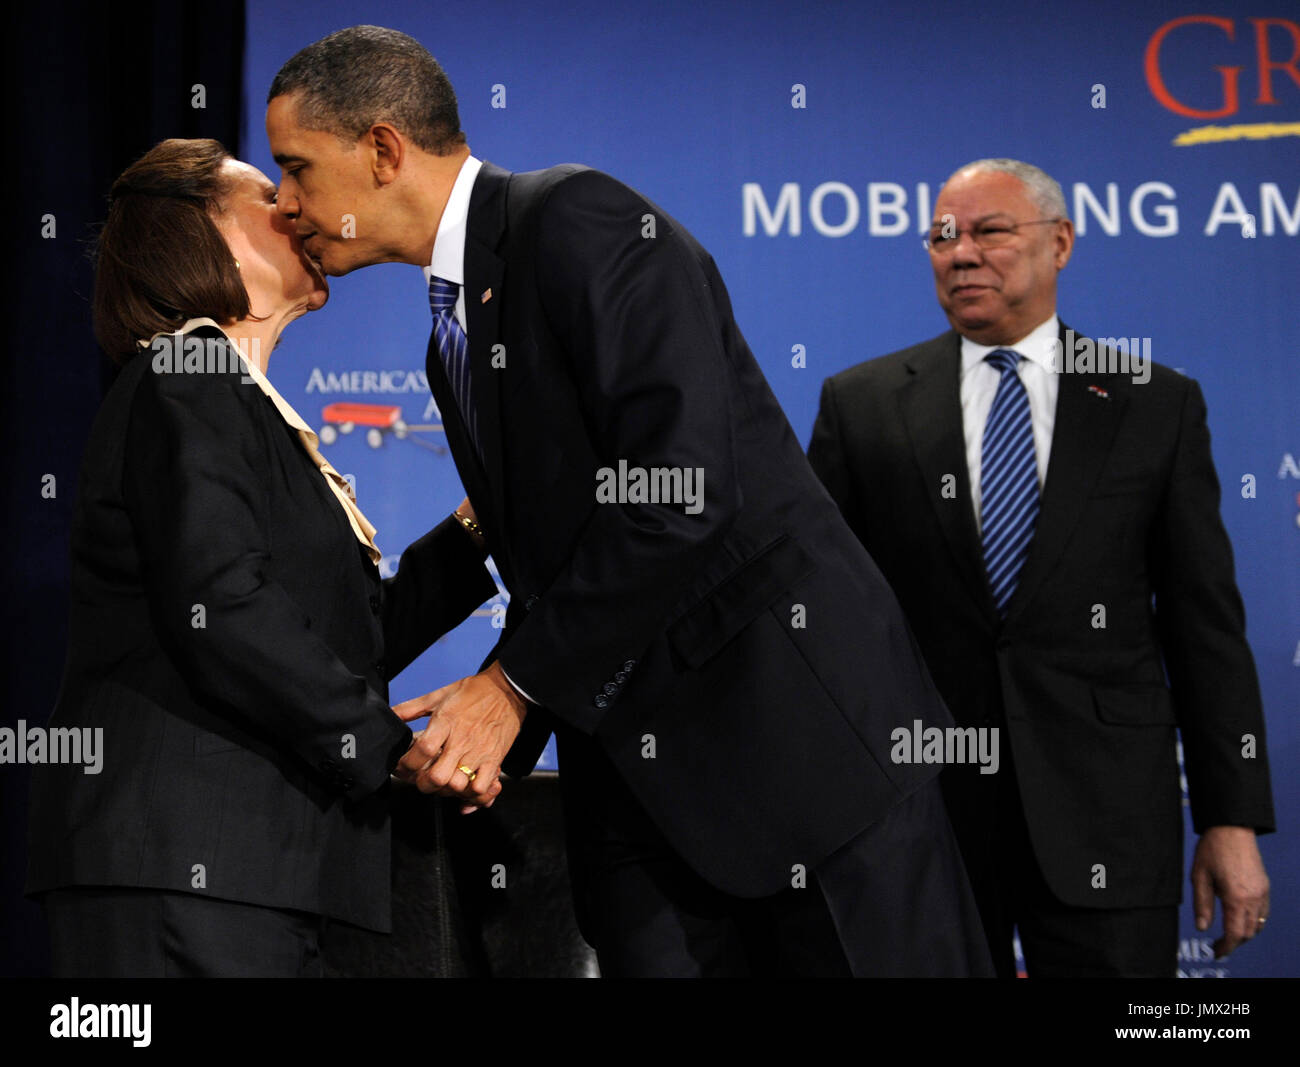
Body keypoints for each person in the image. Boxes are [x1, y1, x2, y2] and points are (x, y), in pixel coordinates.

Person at [264, 25, 992, 978]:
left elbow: (680, 492)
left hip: (803, 767)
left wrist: (511, 688)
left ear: (384, 148)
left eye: (295, 169)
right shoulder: (449, 338)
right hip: (645, 803)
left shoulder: (576, 219)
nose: (284, 205)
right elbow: (567, 564)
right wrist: (505, 720)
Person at [24, 137, 498, 977]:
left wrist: (479, 526)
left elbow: (343, 638)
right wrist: (389, 747)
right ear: (200, 234)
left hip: (262, 874)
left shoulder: (240, 403)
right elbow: (224, 608)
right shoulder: (185, 374)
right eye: (269, 199)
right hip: (181, 867)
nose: (297, 211)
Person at [807, 157, 1275, 978]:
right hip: (928, 812)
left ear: (1059, 243)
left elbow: (1205, 628)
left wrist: (1230, 820)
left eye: (990, 231)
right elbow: (822, 614)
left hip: (1108, 814)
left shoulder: (1154, 402)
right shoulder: (863, 404)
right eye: (943, 236)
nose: (961, 253)